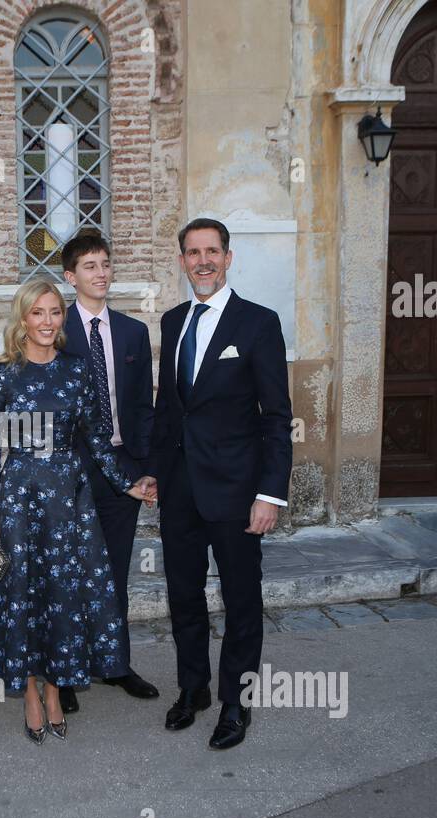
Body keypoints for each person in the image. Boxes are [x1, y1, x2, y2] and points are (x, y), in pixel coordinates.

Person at [0, 278, 155, 744]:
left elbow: (94, 436)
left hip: (69, 499)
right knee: (22, 594)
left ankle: (55, 689)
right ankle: (30, 691)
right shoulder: (2, 374)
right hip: (19, 498)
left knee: (62, 594)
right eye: (37, 313)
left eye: (54, 313)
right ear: (23, 319)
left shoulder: (76, 369)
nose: (47, 322)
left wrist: (127, 482)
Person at [150, 218, 292, 750]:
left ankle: (236, 702)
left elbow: (277, 415)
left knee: (240, 600)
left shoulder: (258, 323)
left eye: (212, 251)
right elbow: (169, 409)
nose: (202, 261)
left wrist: (269, 493)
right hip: (180, 491)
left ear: (228, 258)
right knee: (183, 596)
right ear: (182, 261)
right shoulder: (171, 322)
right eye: (192, 252)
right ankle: (194, 689)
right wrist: (155, 472)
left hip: (237, 493)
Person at [57, 233, 160, 714]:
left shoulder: (133, 332)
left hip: (122, 468)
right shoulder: (56, 333)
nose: (100, 273)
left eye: (105, 264)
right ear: (70, 276)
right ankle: (68, 670)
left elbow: (144, 405)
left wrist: (144, 469)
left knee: (115, 570)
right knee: (72, 570)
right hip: (72, 472)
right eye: (89, 266)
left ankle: (115, 664)